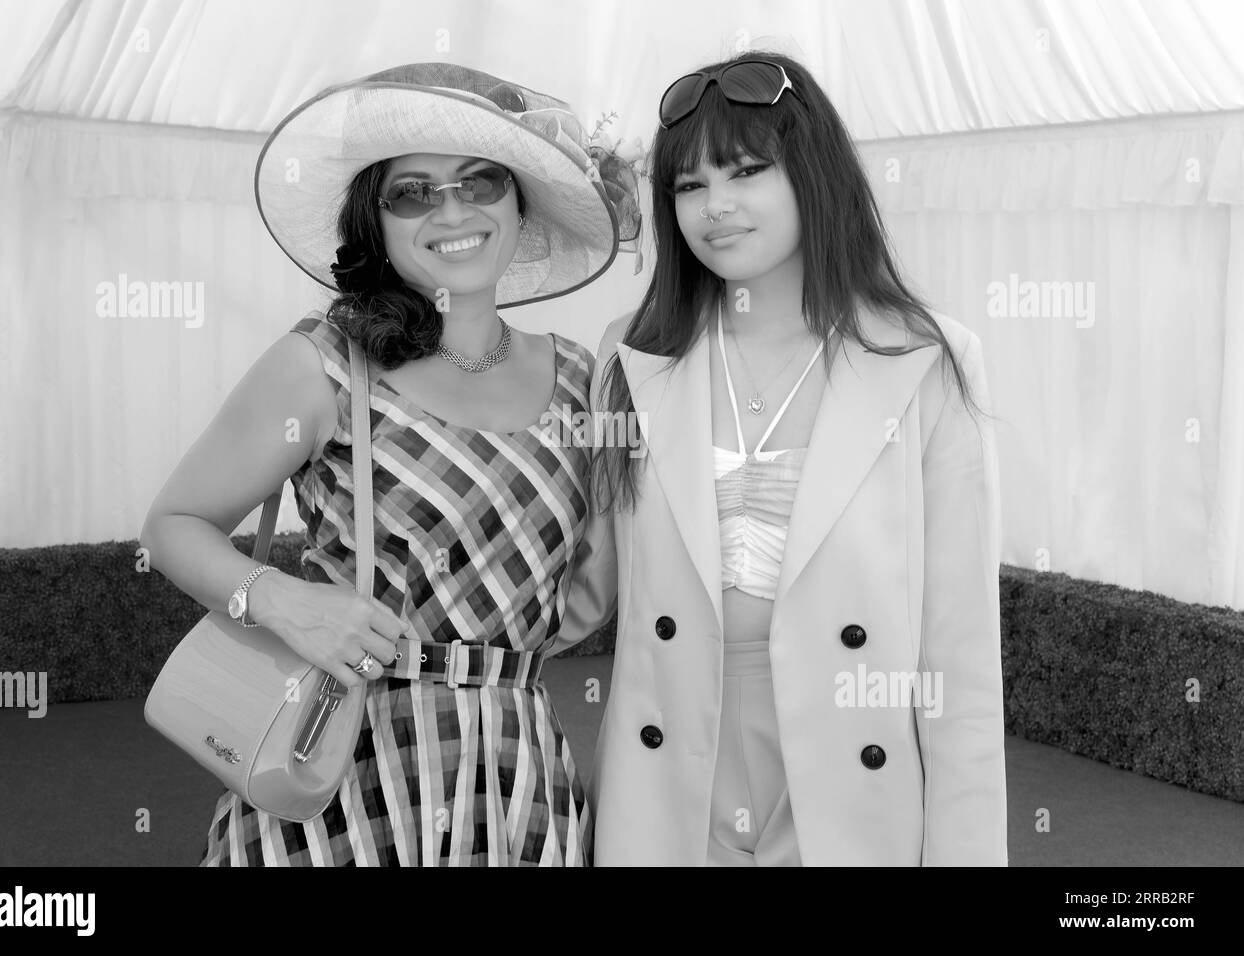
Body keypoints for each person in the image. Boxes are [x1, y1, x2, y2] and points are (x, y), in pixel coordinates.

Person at [140, 62, 638, 866]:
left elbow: (593, 591)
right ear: (376, 221)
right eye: (413, 192)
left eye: (480, 182)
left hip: (516, 775)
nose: (452, 211)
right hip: (341, 759)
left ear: (519, 206)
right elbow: (171, 526)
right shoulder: (327, 364)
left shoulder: (585, 379)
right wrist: (284, 600)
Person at [564, 50, 1007, 865]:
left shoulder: (927, 360)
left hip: (849, 782)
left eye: (745, 172)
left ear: (814, 174)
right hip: (668, 782)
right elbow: (579, 593)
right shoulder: (631, 356)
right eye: (689, 185)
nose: (715, 208)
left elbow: (961, 655)